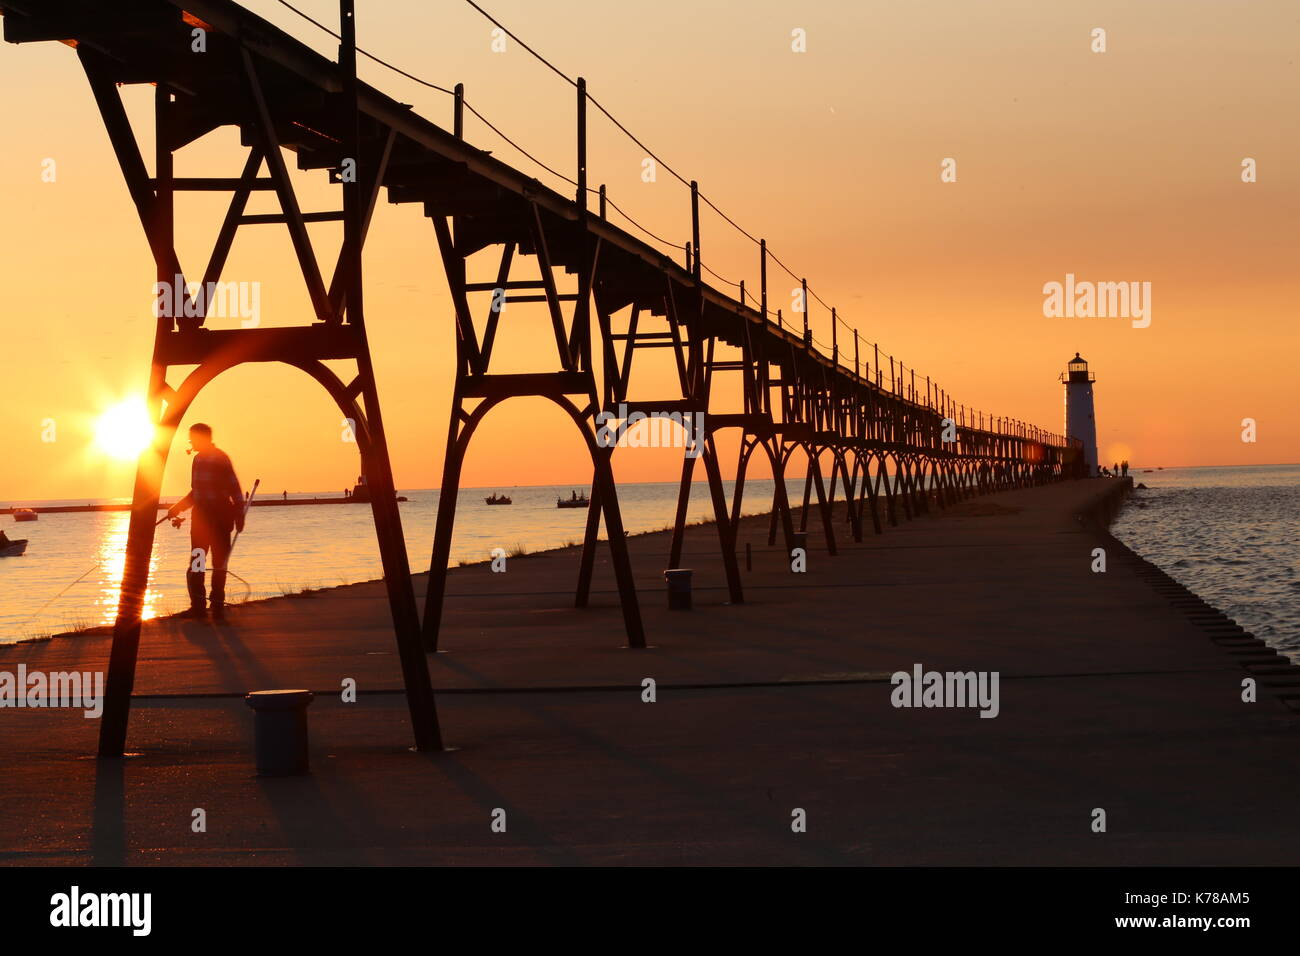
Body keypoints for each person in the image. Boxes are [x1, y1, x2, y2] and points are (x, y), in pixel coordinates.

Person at [166, 423, 244, 622]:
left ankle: (217, 609)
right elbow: (196, 492)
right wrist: (178, 508)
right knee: (198, 563)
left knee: (218, 564)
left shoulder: (220, 458)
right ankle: (199, 608)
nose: (190, 441)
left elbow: (234, 487)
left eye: (192, 437)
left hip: (219, 518)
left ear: (203, 437)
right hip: (201, 521)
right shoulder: (198, 459)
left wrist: (239, 515)